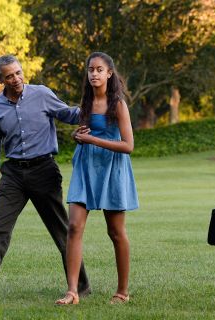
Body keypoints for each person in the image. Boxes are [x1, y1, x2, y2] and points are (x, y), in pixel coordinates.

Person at [0, 55, 91, 304]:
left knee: (62, 232)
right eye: (9, 76)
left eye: (18, 73)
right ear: (0, 79)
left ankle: (81, 286)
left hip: (44, 172)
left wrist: (98, 106)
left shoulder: (41, 94)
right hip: (13, 177)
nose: (16, 79)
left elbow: (69, 114)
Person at [55, 52, 138, 305]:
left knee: (115, 231)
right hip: (85, 168)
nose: (94, 74)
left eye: (99, 70)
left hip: (112, 169)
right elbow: (85, 133)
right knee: (74, 227)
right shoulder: (86, 103)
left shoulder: (119, 105)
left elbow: (128, 145)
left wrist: (92, 139)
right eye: (90, 70)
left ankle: (122, 292)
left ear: (109, 73)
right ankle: (72, 291)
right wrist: (79, 136)